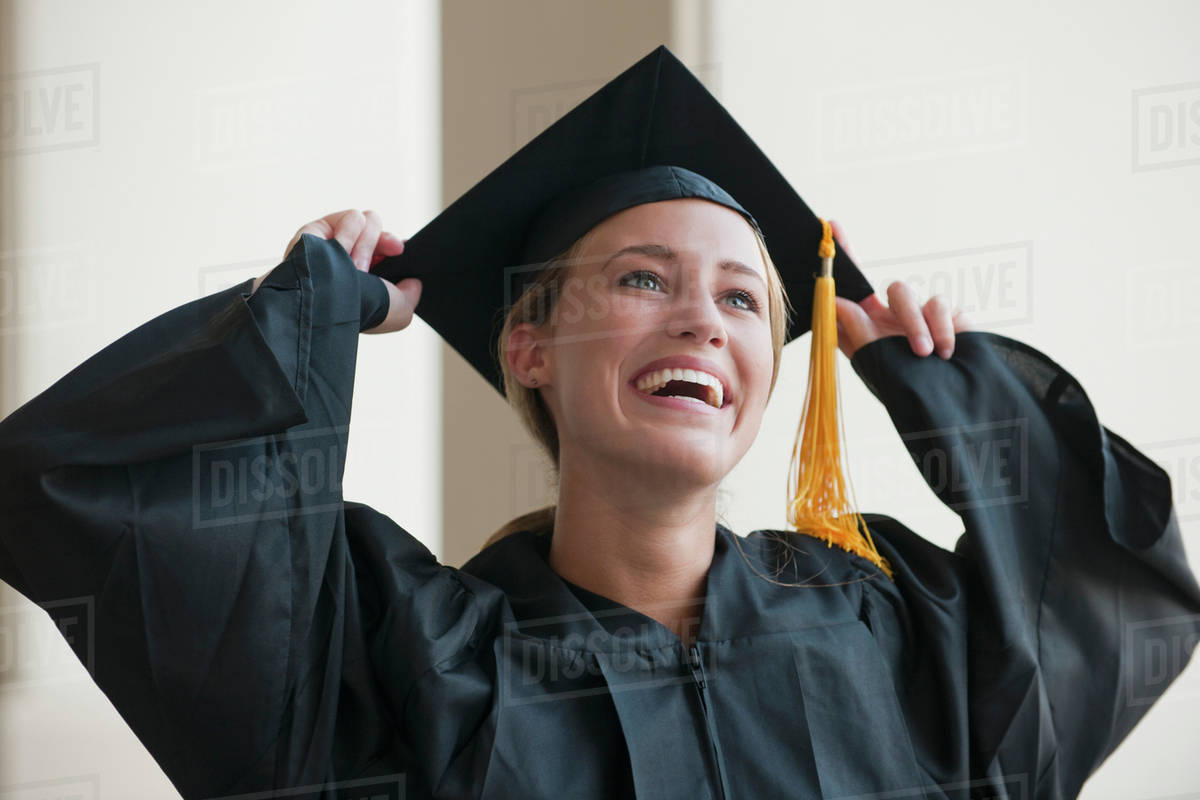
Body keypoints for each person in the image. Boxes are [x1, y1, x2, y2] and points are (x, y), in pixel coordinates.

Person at [2, 45, 1199, 800]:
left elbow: (1113, 601)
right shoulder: (404, 654)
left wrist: (956, 391)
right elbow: (87, 495)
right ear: (529, 347)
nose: (702, 320)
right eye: (641, 278)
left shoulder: (890, 628)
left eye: (742, 298)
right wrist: (305, 312)